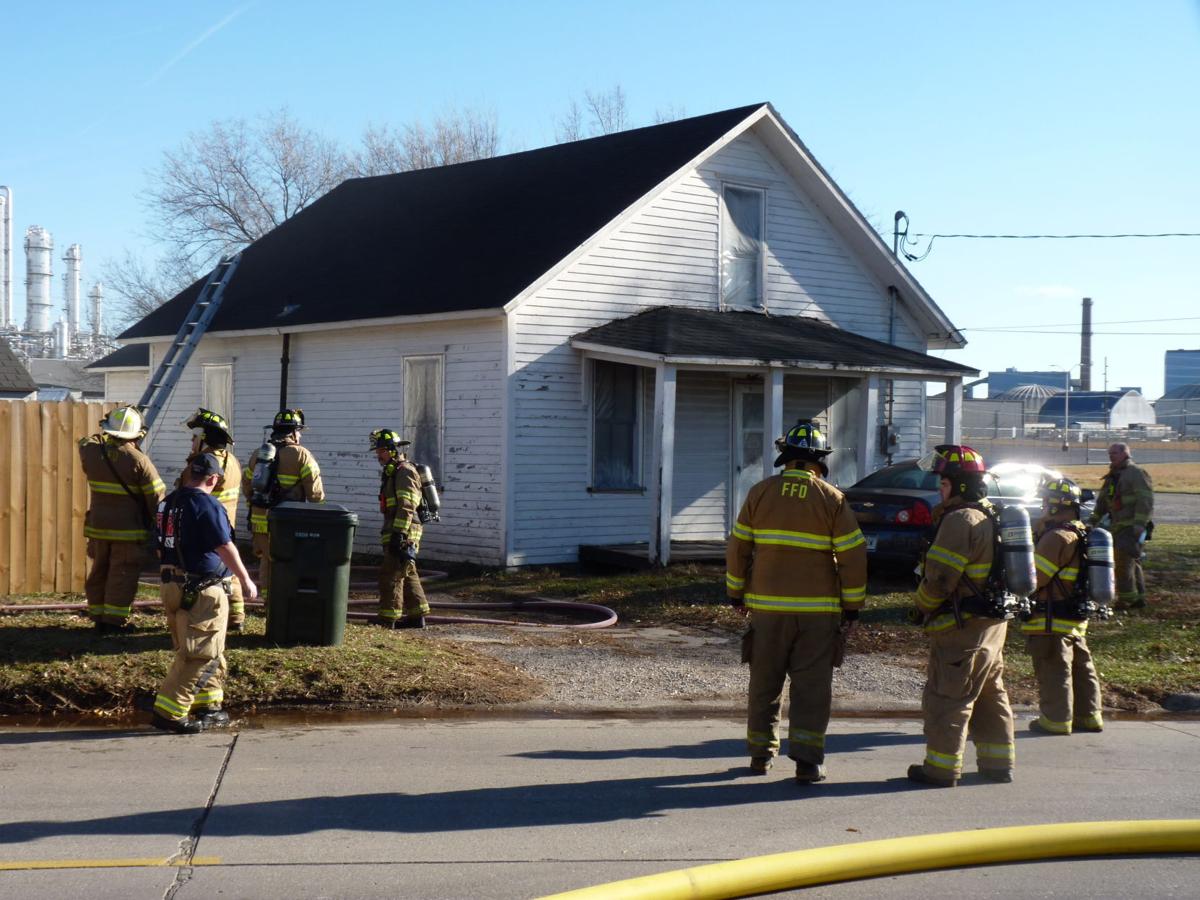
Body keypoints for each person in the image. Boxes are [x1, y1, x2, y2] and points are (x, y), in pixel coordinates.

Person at [725, 420, 867, 784]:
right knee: (811, 690)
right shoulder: (832, 499)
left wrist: (735, 593)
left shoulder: (759, 493)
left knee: (764, 685)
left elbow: (739, 548)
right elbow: (852, 556)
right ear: (819, 460)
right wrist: (852, 607)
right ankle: (808, 763)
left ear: (786, 457)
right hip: (817, 617)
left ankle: (760, 755)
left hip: (769, 613)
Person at [907, 444, 1015, 788]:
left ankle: (941, 769)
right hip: (991, 627)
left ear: (960, 484)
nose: (939, 489)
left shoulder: (960, 520)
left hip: (962, 627)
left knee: (948, 697)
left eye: (943, 483)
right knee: (989, 693)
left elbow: (939, 579)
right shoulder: (989, 514)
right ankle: (998, 764)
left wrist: (919, 607)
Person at [152, 453, 258, 734]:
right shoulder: (206, 504)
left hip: (172, 586)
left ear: (189, 474)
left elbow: (160, 548)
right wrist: (246, 579)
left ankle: (210, 706)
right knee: (198, 654)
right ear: (213, 479)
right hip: (202, 590)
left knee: (208, 650)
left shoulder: (167, 503)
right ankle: (169, 713)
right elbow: (224, 546)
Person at [1022, 477, 1104, 735]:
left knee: (1054, 669)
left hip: (1050, 618)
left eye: (1046, 502)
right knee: (1082, 667)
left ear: (1056, 506)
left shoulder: (1056, 537)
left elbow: (1033, 580)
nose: (1043, 506)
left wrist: (1036, 536)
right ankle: (1089, 716)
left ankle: (1055, 720)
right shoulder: (1082, 532)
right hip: (1074, 618)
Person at [77, 406, 165, 633]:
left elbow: (84, 442)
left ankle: (97, 616)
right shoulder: (139, 460)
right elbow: (156, 497)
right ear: (138, 434)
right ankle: (114, 623)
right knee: (122, 574)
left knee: (99, 571)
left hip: (98, 528)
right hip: (128, 532)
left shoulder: (92, 453)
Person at [241, 408, 324, 602]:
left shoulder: (258, 454)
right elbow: (315, 493)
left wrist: (255, 510)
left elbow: (247, 485)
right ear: (293, 432)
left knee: (267, 561)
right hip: (288, 520)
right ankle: (283, 601)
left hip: (260, 520)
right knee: (287, 560)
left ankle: (270, 601)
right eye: (299, 431)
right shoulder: (301, 455)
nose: (300, 435)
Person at [179, 408, 247, 632]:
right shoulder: (233, 461)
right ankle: (236, 615)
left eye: (194, 436)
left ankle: (200, 613)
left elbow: (184, 494)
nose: (191, 440)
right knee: (230, 568)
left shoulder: (202, 463)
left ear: (204, 439)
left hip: (202, 529)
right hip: (226, 528)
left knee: (203, 575)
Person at [370, 428, 430, 628]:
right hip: (396, 527)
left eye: (381, 451)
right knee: (407, 571)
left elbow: (407, 504)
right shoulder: (393, 472)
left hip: (404, 530)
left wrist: (399, 533)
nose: (378, 455)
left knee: (391, 573)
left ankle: (388, 618)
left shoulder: (404, 471)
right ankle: (417, 615)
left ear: (392, 450)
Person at [1090, 442, 1154, 610]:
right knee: (1133, 562)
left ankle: (1126, 600)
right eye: (1110, 453)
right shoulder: (1113, 476)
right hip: (1117, 527)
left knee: (1122, 563)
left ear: (1125, 454)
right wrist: (1092, 522)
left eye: (1115, 453)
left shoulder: (1136, 473)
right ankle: (1138, 598)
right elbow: (1102, 502)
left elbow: (1145, 500)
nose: (1111, 456)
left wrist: (1139, 524)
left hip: (1132, 527)